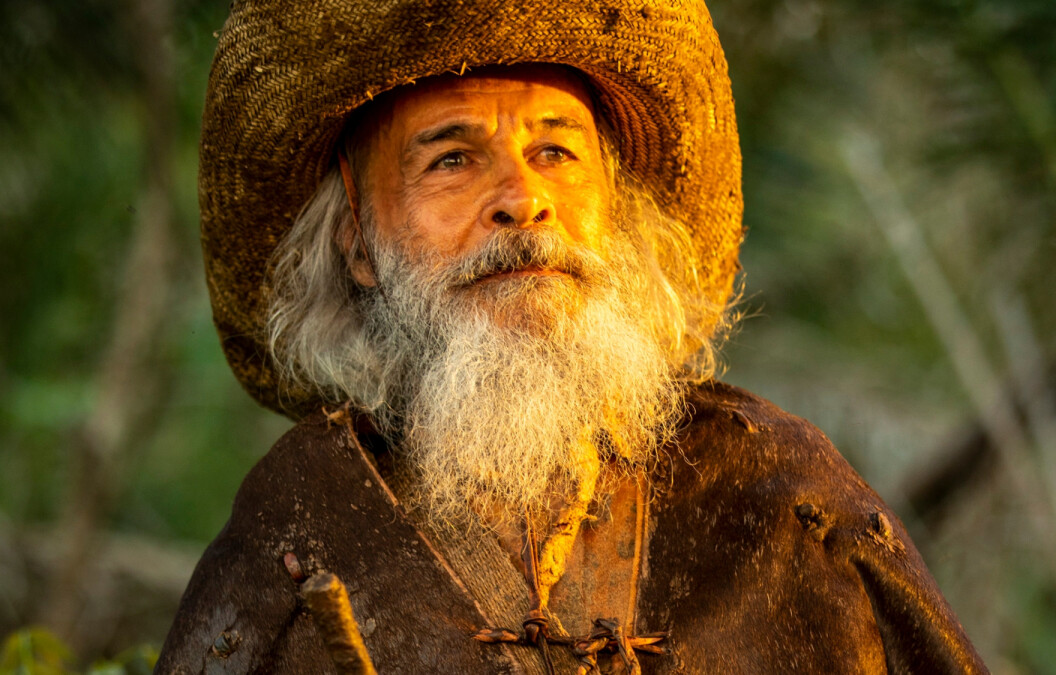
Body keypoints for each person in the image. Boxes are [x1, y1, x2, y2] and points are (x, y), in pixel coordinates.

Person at [156, 0, 987, 673]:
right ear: (357, 245)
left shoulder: (778, 494)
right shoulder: (303, 523)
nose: (524, 198)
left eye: (556, 150)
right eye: (451, 161)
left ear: (615, 212)